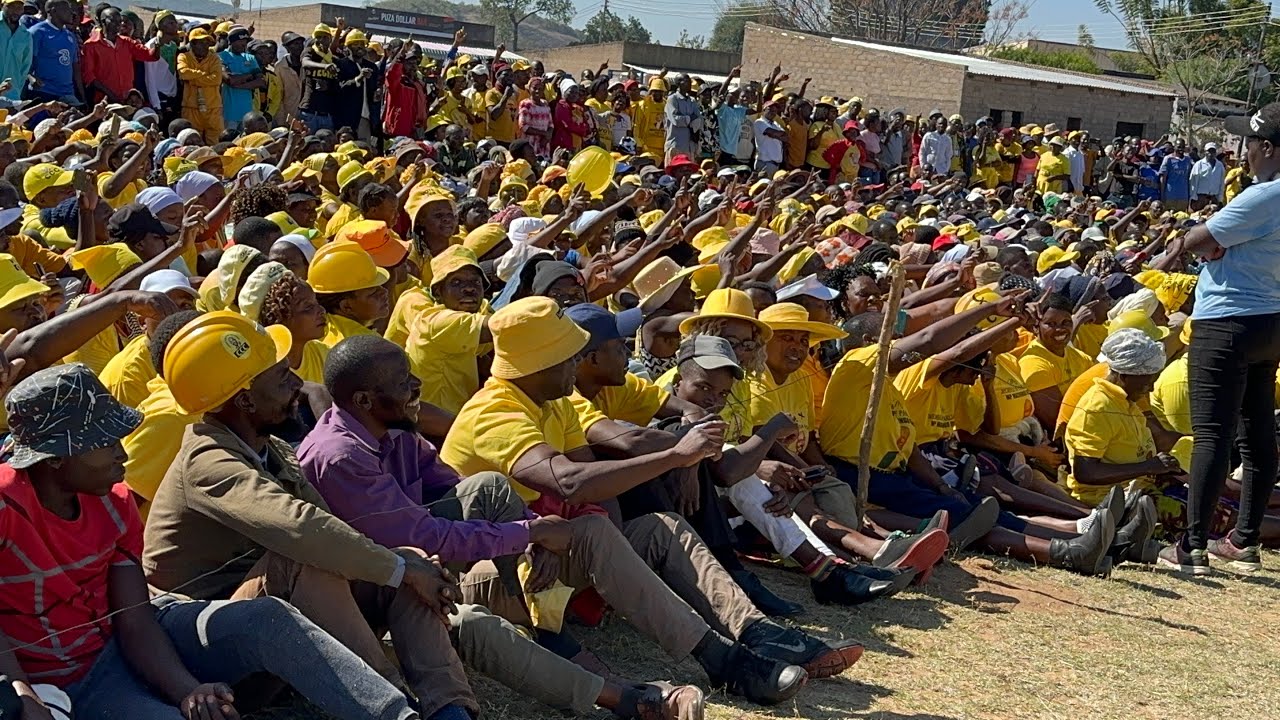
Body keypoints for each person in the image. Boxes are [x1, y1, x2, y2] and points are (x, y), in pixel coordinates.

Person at [301, 335, 720, 719]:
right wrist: (532, 534)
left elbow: (457, 490)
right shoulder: (341, 456)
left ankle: (717, 654)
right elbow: (423, 537)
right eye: (402, 381)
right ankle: (616, 692)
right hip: (372, 592)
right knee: (475, 624)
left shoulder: (394, 430)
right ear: (364, 399)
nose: (416, 385)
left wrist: (532, 531)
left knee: (497, 490)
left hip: (417, 573)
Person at [0, 364, 428, 720]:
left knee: (266, 619)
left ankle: (394, 715)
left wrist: (188, 691)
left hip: (127, 644)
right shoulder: (6, 507)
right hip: (63, 680)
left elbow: (133, 619)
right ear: (54, 458)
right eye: (103, 442)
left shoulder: (115, 502)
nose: (122, 454)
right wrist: (24, 695)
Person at [141, 311, 479, 717]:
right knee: (308, 557)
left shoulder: (271, 451)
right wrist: (399, 568)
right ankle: (392, 704)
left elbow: (331, 531)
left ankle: (449, 710)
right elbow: (300, 528)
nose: (298, 385)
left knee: (403, 563)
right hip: (206, 651)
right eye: (282, 378)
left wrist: (407, 565)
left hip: (275, 620)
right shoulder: (207, 461)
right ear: (245, 400)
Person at [1159, 102, 1280, 574]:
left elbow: (1197, 241)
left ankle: (1192, 549)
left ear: (1266, 147)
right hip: (1270, 319)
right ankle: (1244, 541)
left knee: (1212, 434)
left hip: (1228, 318)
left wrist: (1197, 239)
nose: (1243, 151)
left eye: (1248, 142)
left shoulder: (1264, 194)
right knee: (1256, 433)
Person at [82, 5, 156, 105]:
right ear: (103, 22)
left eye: (120, 20)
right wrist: (111, 95)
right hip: (104, 102)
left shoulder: (127, 42)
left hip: (127, 101)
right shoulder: (91, 45)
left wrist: (158, 43)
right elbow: (89, 77)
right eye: (114, 21)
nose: (119, 24)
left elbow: (150, 56)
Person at [26, 0, 80, 104]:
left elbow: (75, 67)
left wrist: (81, 95)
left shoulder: (70, 35)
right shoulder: (36, 32)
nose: (71, 13)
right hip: (44, 93)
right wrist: (31, 77)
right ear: (53, 11)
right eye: (66, 9)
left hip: (67, 93)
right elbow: (24, 63)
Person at [176, 27, 224, 142]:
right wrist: (204, 75)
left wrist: (193, 80)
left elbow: (216, 79)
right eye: (201, 43)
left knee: (215, 141)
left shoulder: (214, 59)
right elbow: (183, 73)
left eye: (206, 42)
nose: (205, 46)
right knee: (192, 140)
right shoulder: (184, 57)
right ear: (192, 44)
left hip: (213, 108)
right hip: (191, 107)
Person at [0, 0, 30, 104]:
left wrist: (16, 90)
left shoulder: (25, 34)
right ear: (2, 5)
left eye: (20, 7)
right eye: (11, 6)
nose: (16, 11)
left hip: (11, 96)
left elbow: (25, 67)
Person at [1188, 141, 1226, 208]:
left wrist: (1220, 199)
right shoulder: (1199, 165)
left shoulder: (1220, 166)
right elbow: (1193, 182)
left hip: (1214, 198)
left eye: (1213, 151)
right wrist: (1193, 197)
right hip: (1200, 198)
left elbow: (1221, 183)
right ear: (1205, 152)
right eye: (1209, 151)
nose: (1210, 153)